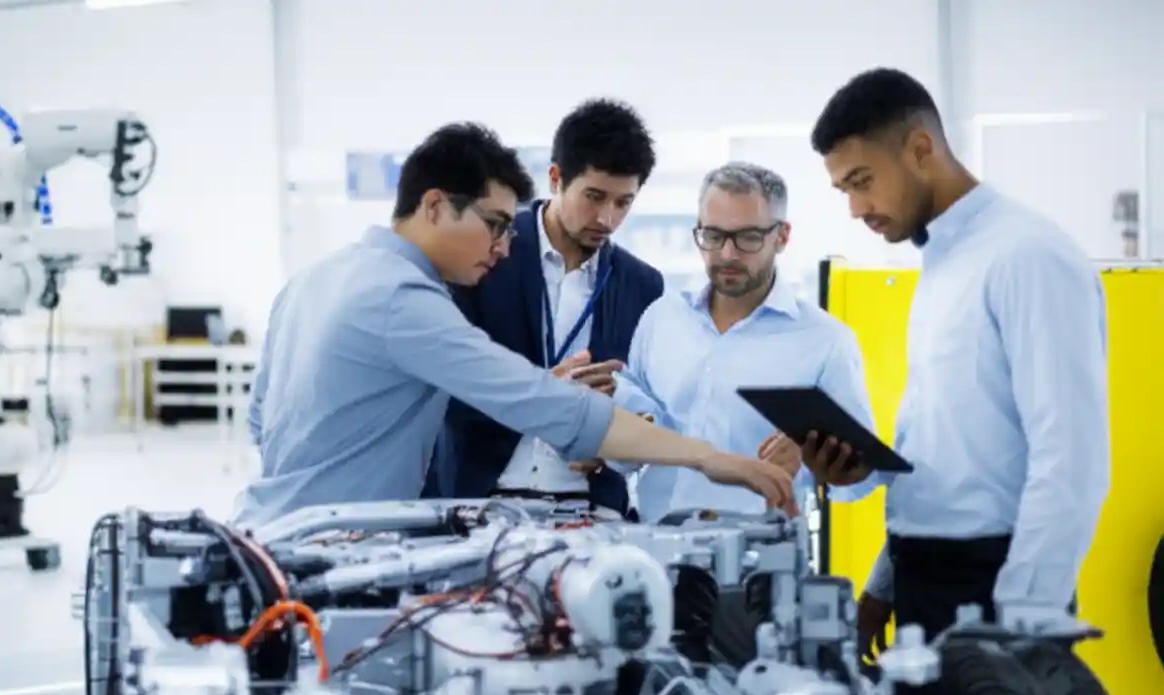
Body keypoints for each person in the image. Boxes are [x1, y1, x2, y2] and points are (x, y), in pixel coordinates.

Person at [234, 121, 796, 528]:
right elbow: (542, 403)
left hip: (273, 530)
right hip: (334, 545)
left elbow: (261, 422)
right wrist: (711, 458)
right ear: (434, 206)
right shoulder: (401, 298)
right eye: (496, 225)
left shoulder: (316, 278)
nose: (504, 246)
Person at [805, 68, 1109, 657]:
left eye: (862, 181)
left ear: (920, 149)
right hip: (926, 584)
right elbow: (941, 461)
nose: (854, 208)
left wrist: (1021, 624)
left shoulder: (1028, 257)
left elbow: (1071, 459)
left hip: (997, 594)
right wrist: (881, 589)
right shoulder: (944, 265)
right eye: (843, 189)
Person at [425, 99, 664, 516]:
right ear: (556, 177)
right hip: (484, 504)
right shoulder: (484, 252)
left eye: (623, 203)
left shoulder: (641, 285)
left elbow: (644, 401)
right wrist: (540, 395)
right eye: (594, 197)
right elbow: (440, 387)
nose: (606, 219)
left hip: (591, 512)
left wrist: (618, 444)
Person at [613, 161, 879, 523]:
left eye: (748, 237)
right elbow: (630, 411)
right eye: (713, 236)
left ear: (782, 237)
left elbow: (862, 475)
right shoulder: (663, 318)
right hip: (652, 546)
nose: (727, 254)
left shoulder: (825, 341)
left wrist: (812, 463)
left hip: (761, 558)